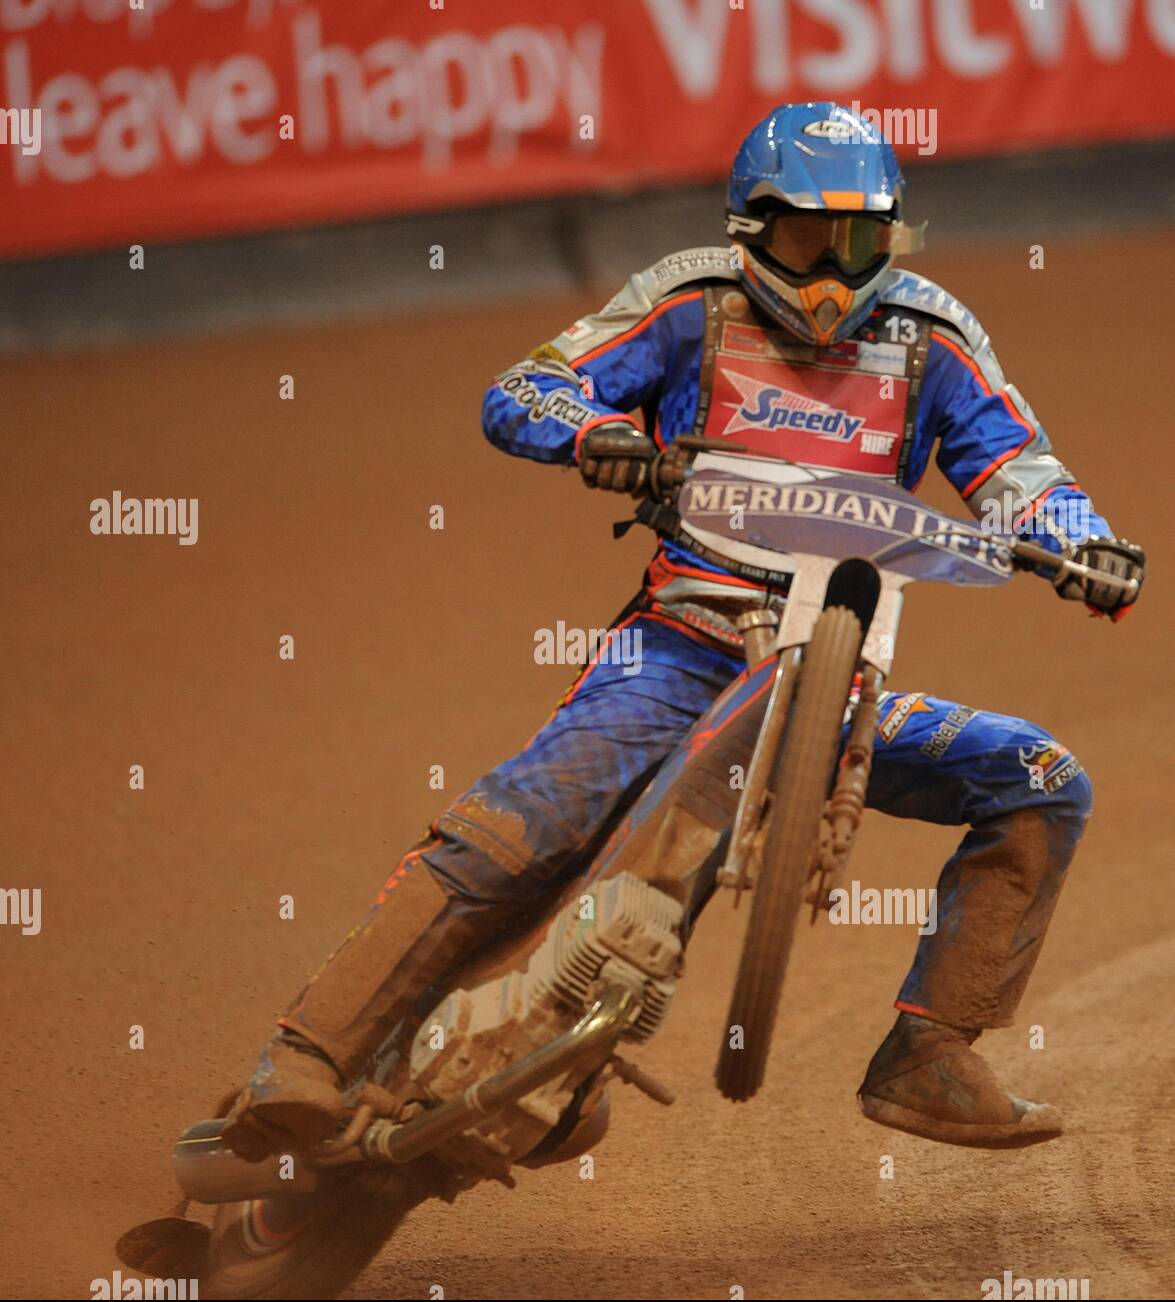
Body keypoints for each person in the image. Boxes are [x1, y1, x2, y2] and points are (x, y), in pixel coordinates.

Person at [224, 102, 1144, 1159]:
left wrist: (1084, 545)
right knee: (524, 819)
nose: (835, 272)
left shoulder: (932, 337)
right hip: (674, 650)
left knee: (1037, 776)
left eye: (861, 241)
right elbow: (525, 385)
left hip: (836, 685)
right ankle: (305, 1052)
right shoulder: (685, 301)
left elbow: (1019, 470)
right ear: (750, 227)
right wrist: (598, 431)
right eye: (808, 240)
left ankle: (928, 1058)